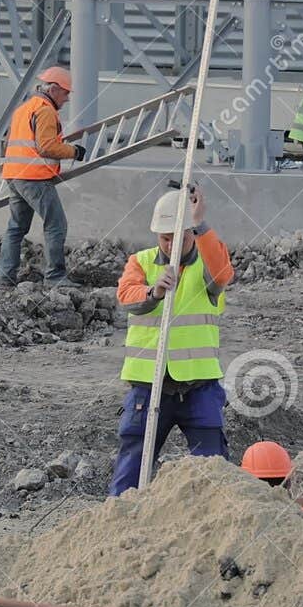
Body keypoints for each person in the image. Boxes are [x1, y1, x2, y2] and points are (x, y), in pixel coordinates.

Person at [107, 185, 234, 495]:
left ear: (191, 232)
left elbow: (222, 276)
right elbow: (127, 296)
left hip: (198, 386)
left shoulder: (208, 260)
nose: (171, 244)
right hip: (150, 387)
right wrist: (155, 292)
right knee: (132, 465)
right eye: (165, 238)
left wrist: (201, 222)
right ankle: (120, 522)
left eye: (179, 236)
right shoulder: (142, 262)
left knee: (213, 469)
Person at [0, 66, 85, 287]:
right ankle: (55, 277)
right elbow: (46, 147)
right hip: (34, 178)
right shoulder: (45, 110)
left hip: (14, 175)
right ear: (54, 89)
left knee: (16, 228)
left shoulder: (24, 109)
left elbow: (8, 144)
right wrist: (74, 151)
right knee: (56, 224)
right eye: (65, 94)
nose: (66, 100)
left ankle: (5, 278)